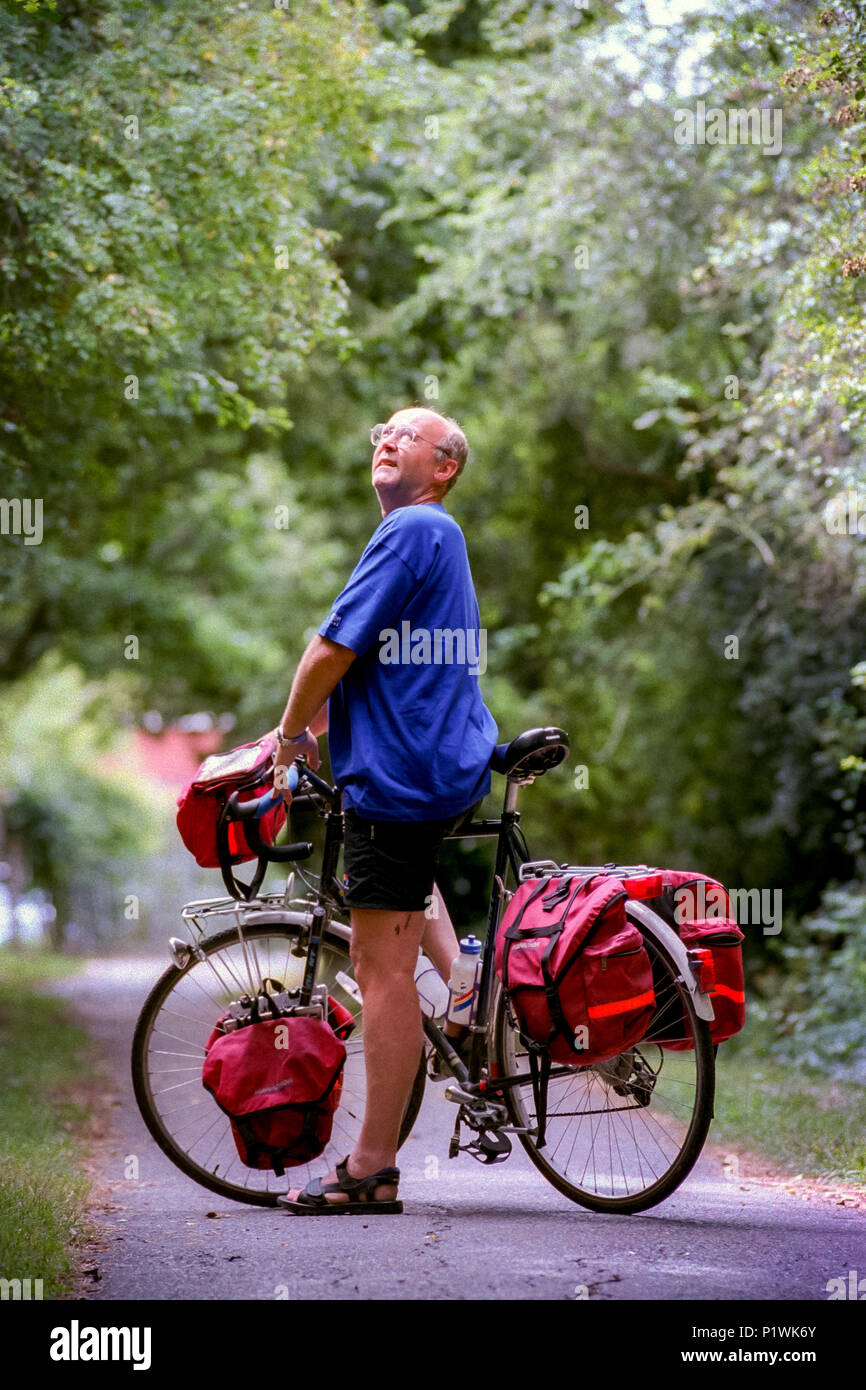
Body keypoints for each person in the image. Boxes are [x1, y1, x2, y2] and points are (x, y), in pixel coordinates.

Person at [272, 406, 497, 1214]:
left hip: (401, 779)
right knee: (404, 906)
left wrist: (292, 735)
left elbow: (330, 649)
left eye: (411, 436)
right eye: (381, 434)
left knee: (380, 972)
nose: (387, 441)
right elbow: (374, 667)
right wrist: (300, 727)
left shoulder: (411, 532)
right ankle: (466, 979)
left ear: (444, 469)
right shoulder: (439, 539)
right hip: (439, 763)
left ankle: (372, 1166)